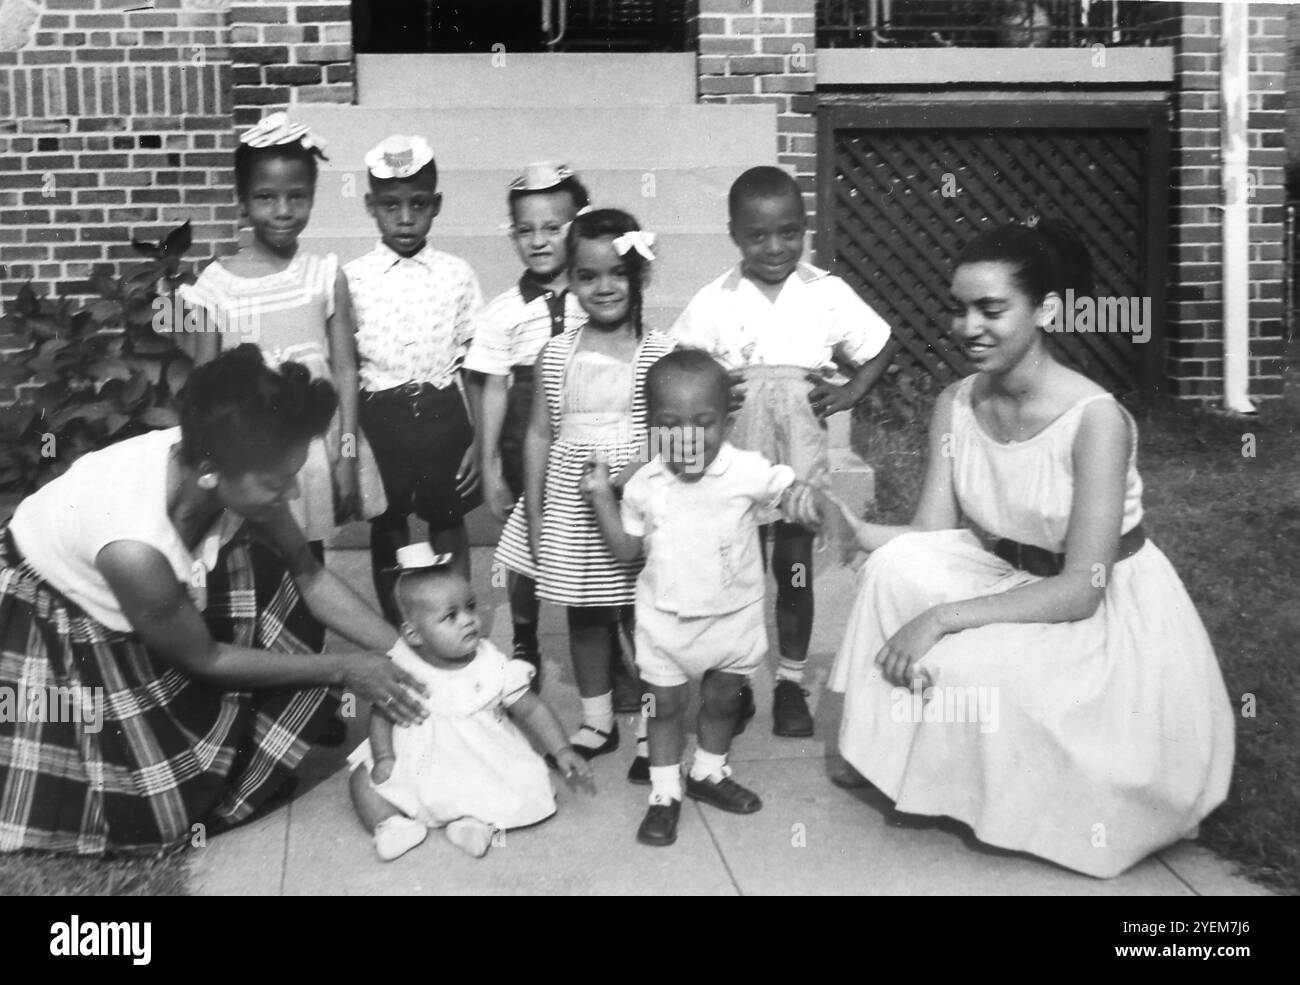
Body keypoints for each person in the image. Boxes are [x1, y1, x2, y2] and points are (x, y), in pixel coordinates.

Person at [826, 220, 1235, 878]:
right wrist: (856, 531)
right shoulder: (956, 401)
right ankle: (891, 754)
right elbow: (933, 533)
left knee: (967, 667)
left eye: (991, 309)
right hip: (1013, 575)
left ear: (1044, 310)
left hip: (1102, 616)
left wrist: (942, 617)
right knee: (894, 568)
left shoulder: (1095, 418)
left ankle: (1039, 789)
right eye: (958, 308)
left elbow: (1082, 589)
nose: (968, 326)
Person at [0, 345, 428, 856]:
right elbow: (205, 659)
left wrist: (414, 658)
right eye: (277, 481)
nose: (292, 494)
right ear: (210, 471)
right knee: (150, 811)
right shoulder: (133, 545)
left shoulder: (232, 460)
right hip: (54, 608)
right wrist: (344, 668)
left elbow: (310, 575)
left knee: (277, 582)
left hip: (155, 597)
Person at [670, 165, 893, 738]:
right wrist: (714, 389)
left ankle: (790, 681)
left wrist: (849, 392)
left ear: (805, 230)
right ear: (734, 235)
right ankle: (732, 681)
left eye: (789, 233)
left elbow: (878, 345)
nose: (775, 247)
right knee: (733, 565)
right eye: (758, 236)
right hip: (735, 444)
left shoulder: (825, 292)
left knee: (792, 566)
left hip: (798, 445)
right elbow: (677, 367)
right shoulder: (715, 299)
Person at [583, 349, 818, 846]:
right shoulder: (645, 483)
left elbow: (789, 488)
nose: (688, 438)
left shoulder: (747, 470)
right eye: (670, 424)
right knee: (663, 707)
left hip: (732, 620)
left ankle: (709, 772)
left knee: (722, 701)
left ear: (727, 421)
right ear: (651, 426)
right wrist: (603, 497)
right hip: (665, 623)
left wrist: (808, 500)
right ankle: (665, 793)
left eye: (704, 423)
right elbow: (627, 550)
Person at [181, 113, 386, 644]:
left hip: (309, 448)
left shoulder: (324, 274)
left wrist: (345, 453)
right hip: (245, 451)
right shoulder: (215, 284)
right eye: (267, 197)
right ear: (243, 200)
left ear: (313, 196)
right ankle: (259, 685)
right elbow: (204, 382)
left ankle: (311, 694)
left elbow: (344, 368)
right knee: (244, 565)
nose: (283, 211)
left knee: (305, 561)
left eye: (297, 196)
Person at [494, 209, 674, 764]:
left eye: (618, 273)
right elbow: (539, 432)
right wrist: (537, 505)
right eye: (589, 276)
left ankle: (652, 723)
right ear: (571, 280)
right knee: (584, 610)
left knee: (641, 612)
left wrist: (619, 485)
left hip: (634, 495)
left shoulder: (658, 351)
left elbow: (667, 433)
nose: (604, 287)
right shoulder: (556, 352)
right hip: (572, 499)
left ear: (639, 275)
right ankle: (598, 719)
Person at [347, 545, 593, 861]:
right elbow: (382, 713)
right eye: (451, 616)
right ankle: (390, 824)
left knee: (510, 787)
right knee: (362, 779)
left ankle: (474, 824)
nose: (469, 621)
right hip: (419, 760)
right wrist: (383, 756)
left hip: (479, 759)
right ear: (414, 634)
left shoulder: (491, 663)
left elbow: (531, 708)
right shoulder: (403, 665)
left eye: (471, 607)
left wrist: (562, 750)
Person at [344, 134, 483, 623]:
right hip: (381, 416)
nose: (405, 218)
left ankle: (457, 611)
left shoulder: (456, 274)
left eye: (418, 204)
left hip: (442, 413)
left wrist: (479, 438)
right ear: (370, 206)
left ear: (437, 205)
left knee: (448, 519)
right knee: (388, 524)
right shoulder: (353, 278)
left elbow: (474, 361)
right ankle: (401, 625)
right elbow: (347, 362)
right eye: (390, 205)